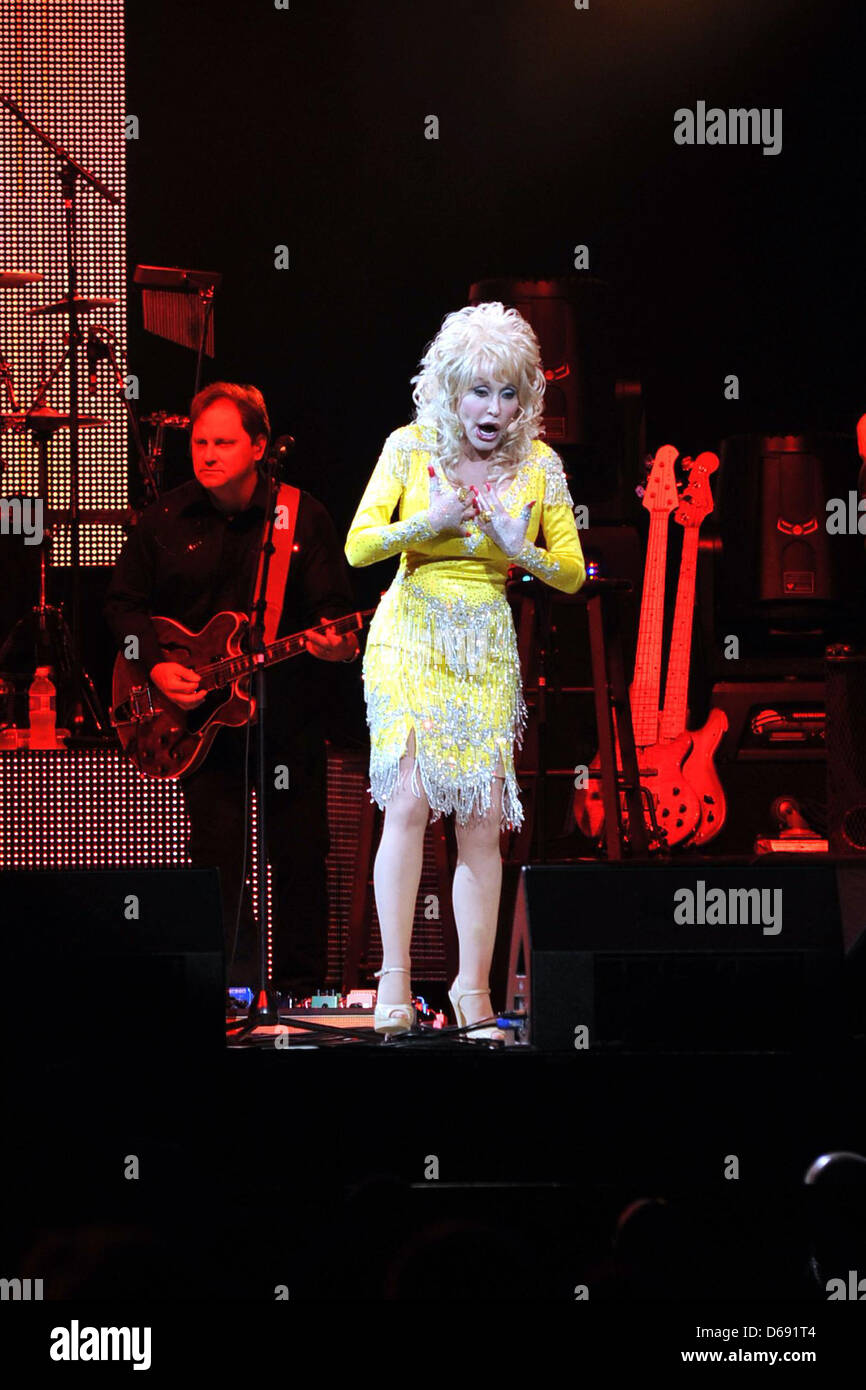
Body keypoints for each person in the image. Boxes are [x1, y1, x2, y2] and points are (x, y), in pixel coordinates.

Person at [345, 302, 586, 1039]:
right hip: (411, 631)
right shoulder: (409, 448)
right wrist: (432, 521)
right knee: (411, 799)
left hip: (485, 641)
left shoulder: (541, 464)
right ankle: (391, 984)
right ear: (449, 391)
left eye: (510, 392)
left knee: (483, 824)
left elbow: (572, 576)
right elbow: (361, 548)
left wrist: (522, 547)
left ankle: (472, 992)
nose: (494, 408)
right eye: (479, 390)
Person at [104, 382, 359, 997]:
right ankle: (230, 991)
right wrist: (157, 668)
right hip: (199, 725)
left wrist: (337, 644)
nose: (208, 453)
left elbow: (338, 618)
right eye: (200, 441)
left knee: (299, 855)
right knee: (217, 860)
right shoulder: (164, 518)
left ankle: (302, 994)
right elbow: (121, 606)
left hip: (286, 717)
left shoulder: (303, 515)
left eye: (224, 441)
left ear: (259, 446)